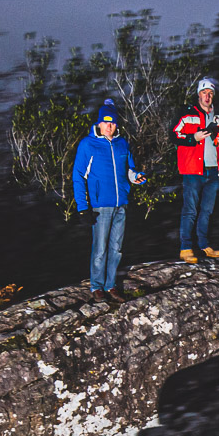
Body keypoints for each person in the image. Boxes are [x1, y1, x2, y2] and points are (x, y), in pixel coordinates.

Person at [72, 99, 146, 302]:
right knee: (100, 248)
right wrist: (82, 207)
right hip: (100, 205)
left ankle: (111, 285)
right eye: (105, 122)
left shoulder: (122, 143)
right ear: (99, 123)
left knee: (117, 248)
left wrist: (136, 177)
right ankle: (96, 287)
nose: (109, 126)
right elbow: (78, 175)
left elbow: (129, 169)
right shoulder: (88, 144)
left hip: (120, 202)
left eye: (112, 122)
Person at [172, 76, 219, 263]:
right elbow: (174, 135)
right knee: (190, 210)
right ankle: (185, 248)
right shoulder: (188, 115)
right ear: (198, 94)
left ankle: (204, 244)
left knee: (207, 210)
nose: (207, 97)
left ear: (213, 96)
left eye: (210, 94)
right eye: (203, 93)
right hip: (192, 170)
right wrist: (193, 137)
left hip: (213, 170)